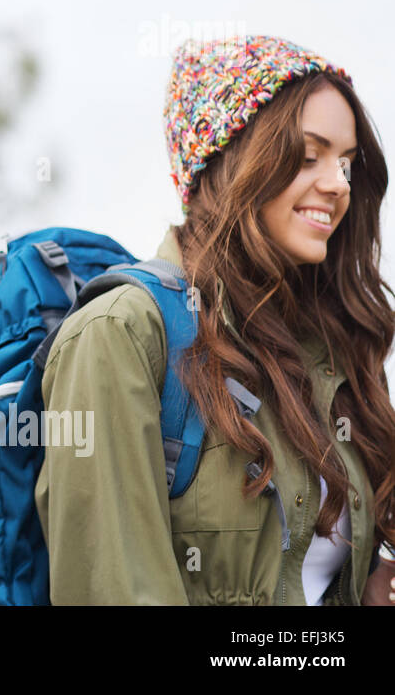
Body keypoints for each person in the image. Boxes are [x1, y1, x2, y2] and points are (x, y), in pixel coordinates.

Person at [36, 36, 395, 605]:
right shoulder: (122, 332)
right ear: (229, 158)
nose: (338, 185)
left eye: (347, 163)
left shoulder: (326, 353)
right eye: (308, 156)